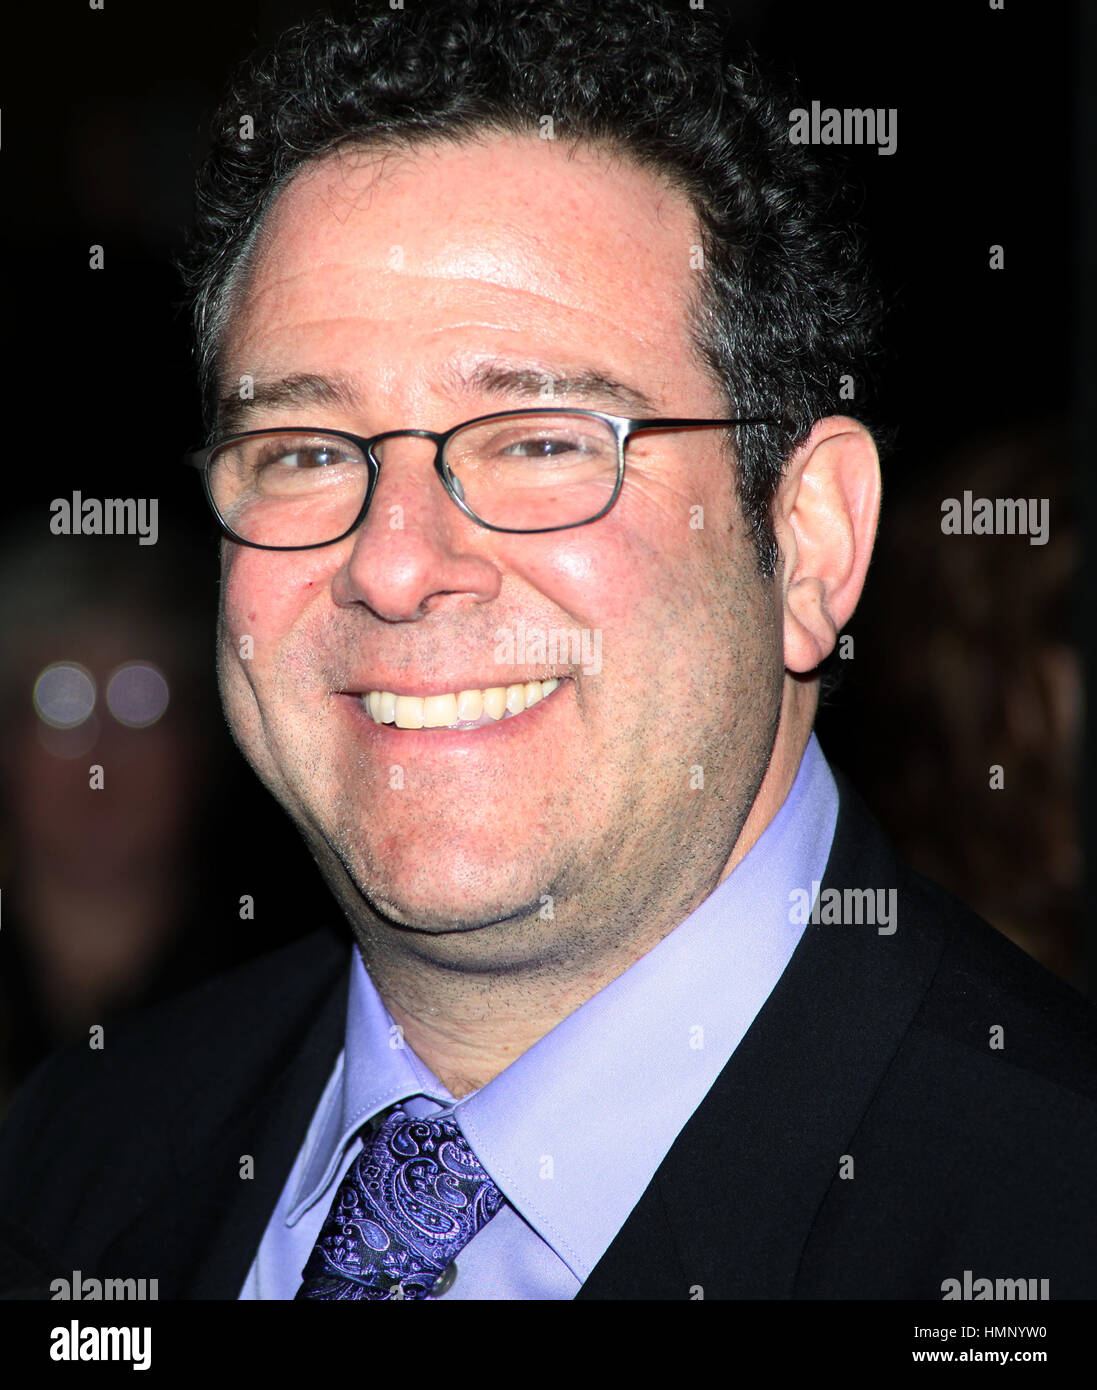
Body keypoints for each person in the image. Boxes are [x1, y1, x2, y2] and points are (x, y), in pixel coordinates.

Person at [0, 0, 1094, 1302]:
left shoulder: (1046, 1219)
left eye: (539, 440)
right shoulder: (75, 1159)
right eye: (299, 451)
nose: (396, 562)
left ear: (806, 542)